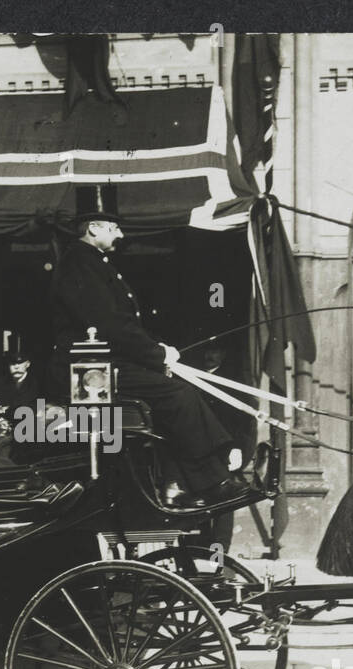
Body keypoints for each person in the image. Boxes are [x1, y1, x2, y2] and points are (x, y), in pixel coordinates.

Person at [48, 184, 242, 505]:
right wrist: (156, 354)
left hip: (100, 366)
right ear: (94, 227)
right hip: (89, 372)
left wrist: (157, 350)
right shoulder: (81, 263)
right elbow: (110, 327)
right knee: (177, 396)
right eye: (115, 227)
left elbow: (118, 326)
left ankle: (181, 482)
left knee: (172, 394)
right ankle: (212, 481)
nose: (121, 234)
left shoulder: (91, 262)